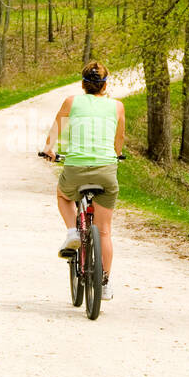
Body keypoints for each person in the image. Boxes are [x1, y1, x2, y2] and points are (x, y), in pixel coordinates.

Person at [43, 60, 125, 301]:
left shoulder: (71, 102)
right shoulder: (117, 107)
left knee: (63, 195)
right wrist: (116, 155)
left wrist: (49, 149)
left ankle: (72, 232)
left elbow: (56, 129)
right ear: (105, 84)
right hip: (105, 171)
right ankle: (105, 283)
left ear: (83, 84)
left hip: (76, 168)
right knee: (105, 231)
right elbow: (119, 138)